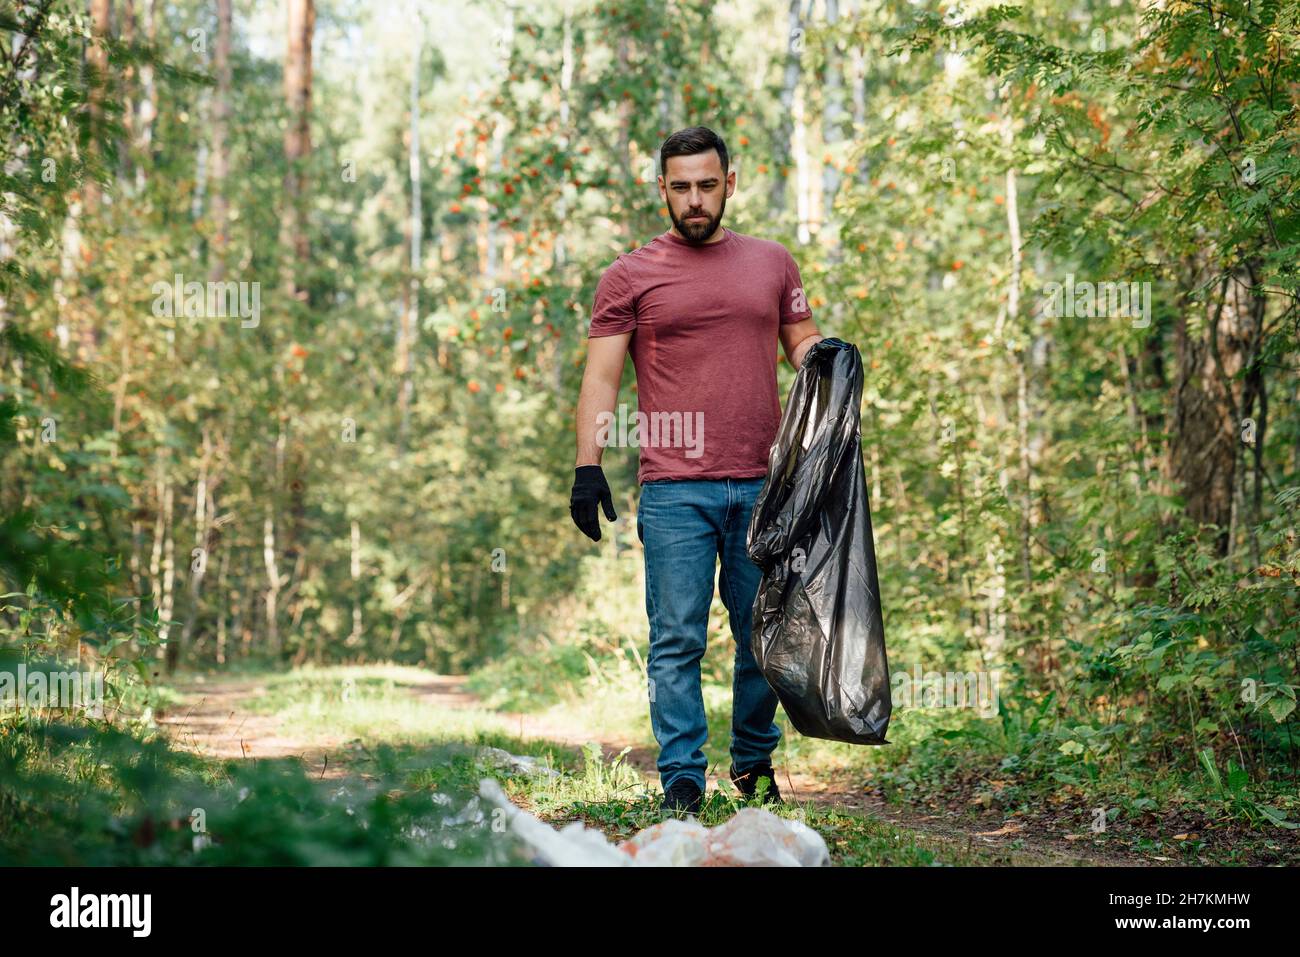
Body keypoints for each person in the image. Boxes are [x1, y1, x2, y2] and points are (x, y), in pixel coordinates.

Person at [569, 126, 824, 818]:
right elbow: (601, 377)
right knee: (676, 637)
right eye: (679, 187)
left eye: (706, 185)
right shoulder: (628, 275)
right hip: (675, 491)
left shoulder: (772, 263)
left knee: (761, 634)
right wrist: (586, 467)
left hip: (766, 486)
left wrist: (827, 357)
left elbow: (800, 341)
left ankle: (752, 761)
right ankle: (682, 775)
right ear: (662, 189)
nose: (694, 199)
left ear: (729, 183)